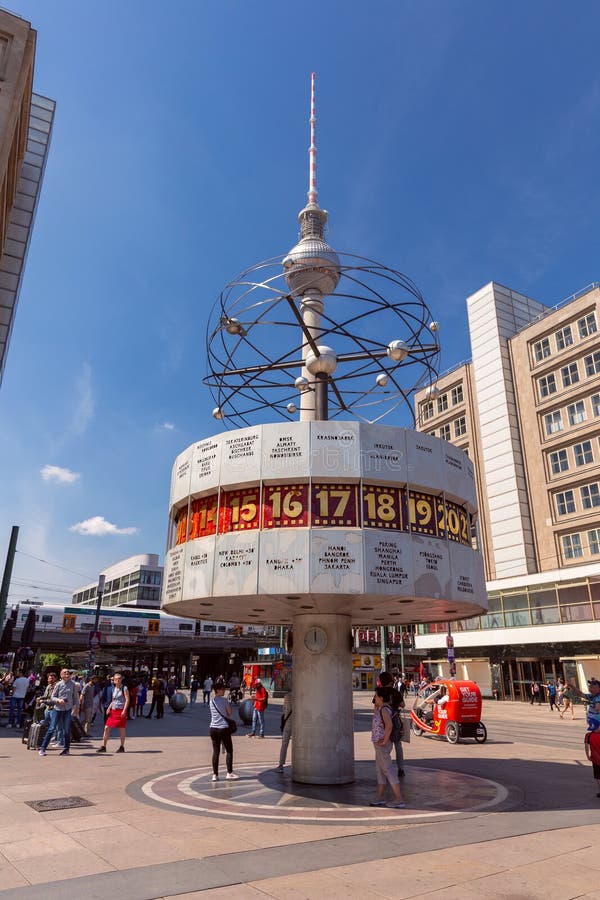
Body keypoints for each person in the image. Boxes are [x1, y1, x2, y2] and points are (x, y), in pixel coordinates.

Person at [369, 687, 405, 809]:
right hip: (379, 746)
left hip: (382, 746)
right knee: (380, 771)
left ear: (382, 698)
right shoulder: (381, 708)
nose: (374, 698)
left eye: (376, 696)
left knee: (388, 771)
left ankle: (399, 799)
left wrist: (384, 740)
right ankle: (379, 797)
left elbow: (389, 726)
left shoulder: (384, 709)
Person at [39, 669, 80, 757]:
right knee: (52, 728)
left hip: (67, 709)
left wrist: (77, 707)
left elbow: (76, 697)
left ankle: (66, 749)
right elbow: (53, 697)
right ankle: (43, 748)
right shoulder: (58, 684)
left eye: (68, 672)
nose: (67, 673)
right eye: (65, 672)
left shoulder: (73, 684)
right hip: (57, 709)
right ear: (61, 675)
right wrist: (59, 700)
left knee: (66, 730)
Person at [209, 678, 238, 781]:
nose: (224, 691)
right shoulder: (224, 700)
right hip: (223, 728)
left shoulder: (211, 701)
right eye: (223, 689)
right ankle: (229, 773)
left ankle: (215, 775)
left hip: (213, 728)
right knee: (229, 750)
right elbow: (229, 713)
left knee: (215, 751)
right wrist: (228, 706)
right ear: (218, 690)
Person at [379, 671, 406, 777]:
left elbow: (376, 709)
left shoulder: (379, 692)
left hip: (382, 722)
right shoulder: (395, 692)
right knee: (398, 745)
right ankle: (401, 769)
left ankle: (385, 769)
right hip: (395, 721)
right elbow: (403, 705)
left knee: (385, 747)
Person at [97, 672, 129, 753]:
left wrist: (124, 710)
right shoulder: (113, 689)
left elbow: (127, 700)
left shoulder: (124, 688)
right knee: (106, 728)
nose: (117, 680)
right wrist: (109, 707)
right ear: (113, 680)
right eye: (116, 679)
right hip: (113, 711)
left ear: (121, 680)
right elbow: (113, 700)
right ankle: (104, 746)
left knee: (121, 729)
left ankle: (122, 746)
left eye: (119, 679)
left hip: (120, 710)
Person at [276, 691, 292, 772]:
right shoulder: (301, 696)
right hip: (298, 725)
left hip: (288, 723)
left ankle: (281, 765)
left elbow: (284, 709)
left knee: (284, 744)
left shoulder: (287, 696)